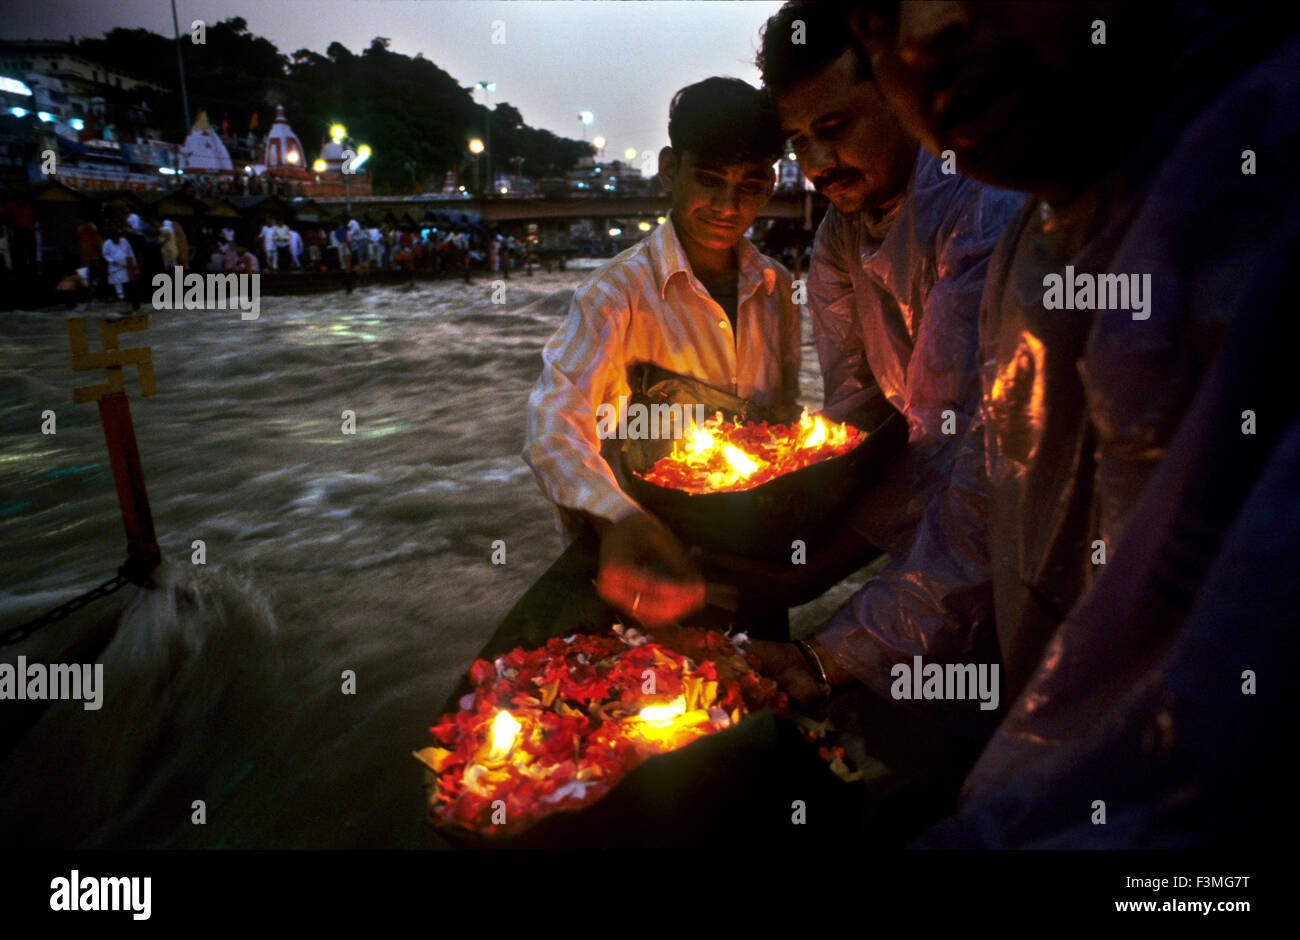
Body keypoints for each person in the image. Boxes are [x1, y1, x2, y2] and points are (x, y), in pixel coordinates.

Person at [807, 1, 1297, 846]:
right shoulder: (1033, 246)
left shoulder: (1262, 182)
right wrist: (831, 654)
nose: (925, 34)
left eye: (837, 126)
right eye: (879, 18)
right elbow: (977, 503)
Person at [711, 1, 1021, 657]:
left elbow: (950, 442)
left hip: (1007, 515)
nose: (819, 162)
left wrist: (812, 575)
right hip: (924, 524)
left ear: (897, 90)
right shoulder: (836, 238)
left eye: (835, 126)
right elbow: (860, 410)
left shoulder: (981, 206)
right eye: (799, 141)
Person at [522, 76, 800, 633]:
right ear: (670, 169)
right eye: (709, 180)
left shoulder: (778, 289)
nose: (728, 206)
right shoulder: (615, 294)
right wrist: (619, 517)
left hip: (754, 570)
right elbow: (552, 426)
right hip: (646, 576)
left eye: (749, 184)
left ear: (770, 183)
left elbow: (783, 422)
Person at [101, 227, 138, 308]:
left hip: (125, 266)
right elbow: (105, 254)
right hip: (115, 266)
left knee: (127, 282)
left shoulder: (124, 241)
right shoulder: (107, 243)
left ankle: (129, 300)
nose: (116, 240)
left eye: (117, 238)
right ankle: (121, 297)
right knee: (117, 282)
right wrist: (111, 260)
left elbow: (130, 252)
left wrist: (134, 263)